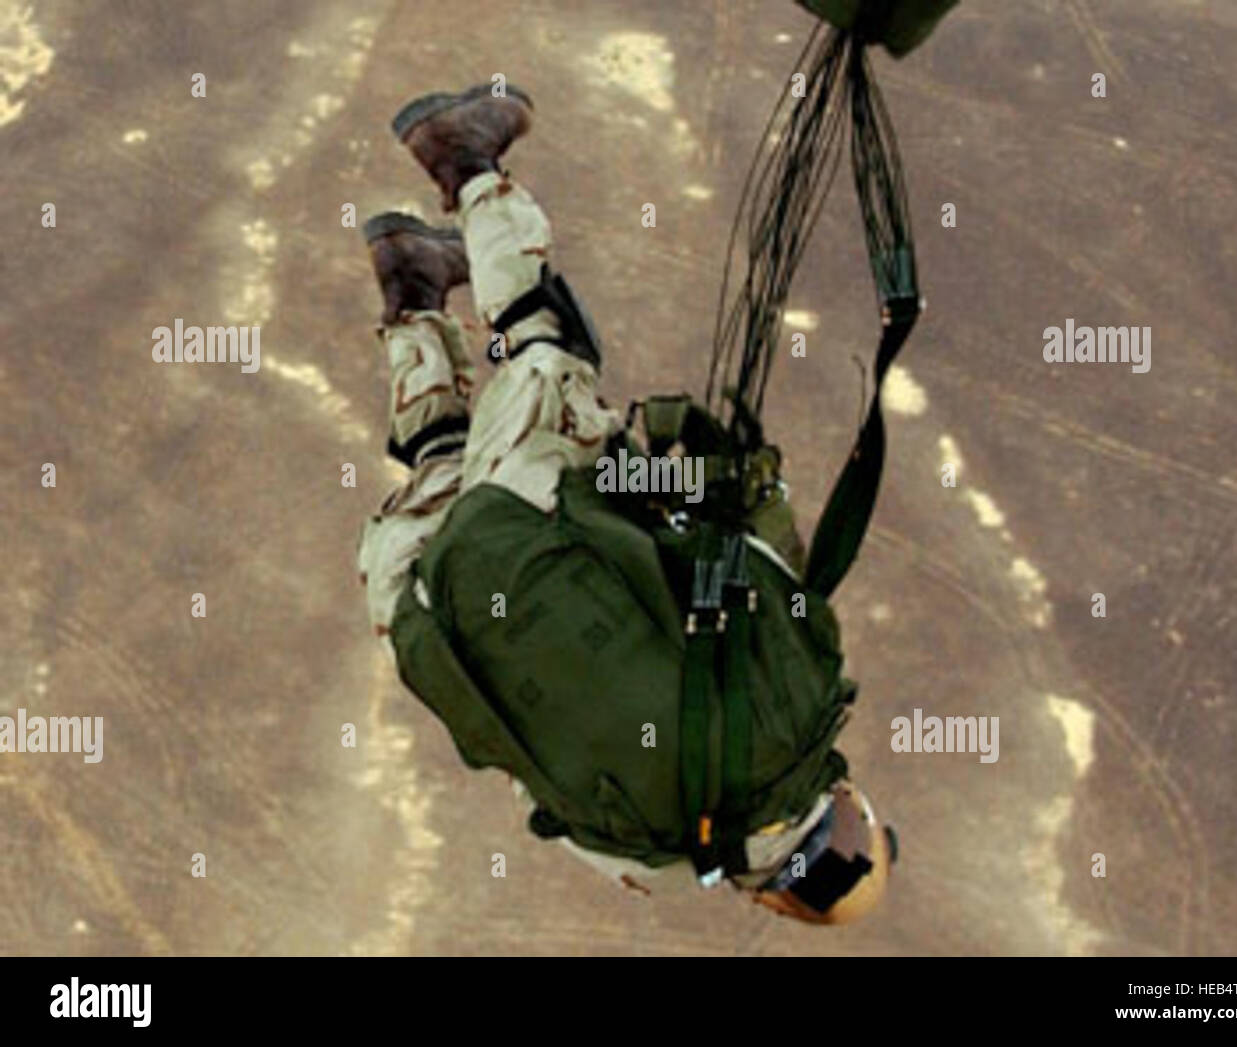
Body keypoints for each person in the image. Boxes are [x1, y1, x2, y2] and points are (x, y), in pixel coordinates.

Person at [356, 84, 896, 924]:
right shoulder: (651, 857)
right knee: (450, 470)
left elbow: (740, 546)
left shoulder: (802, 694)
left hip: (525, 515)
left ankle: (464, 161)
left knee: (546, 345)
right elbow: (536, 783)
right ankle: (412, 290)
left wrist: (654, 471)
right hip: (414, 589)